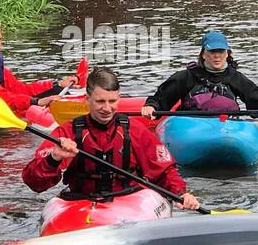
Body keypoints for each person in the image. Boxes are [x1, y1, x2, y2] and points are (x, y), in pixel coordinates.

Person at [23, 66, 201, 210]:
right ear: (87, 99)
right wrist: (54, 158)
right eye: (100, 102)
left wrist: (180, 193)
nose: (107, 108)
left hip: (130, 197)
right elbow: (34, 183)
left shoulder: (135, 130)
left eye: (112, 101)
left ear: (119, 98)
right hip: (81, 199)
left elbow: (164, 170)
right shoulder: (68, 132)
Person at [142, 30, 258, 149]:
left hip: (227, 128)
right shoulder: (185, 77)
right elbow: (161, 99)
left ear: (227, 54)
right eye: (212, 51)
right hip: (191, 129)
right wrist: (152, 106)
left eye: (221, 51)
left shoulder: (236, 78)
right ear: (204, 54)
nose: (217, 56)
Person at [0, 18, 77, 116]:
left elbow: (18, 88)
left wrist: (57, 85)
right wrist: (35, 102)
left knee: (56, 91)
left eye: (0, 39)